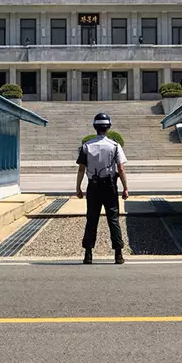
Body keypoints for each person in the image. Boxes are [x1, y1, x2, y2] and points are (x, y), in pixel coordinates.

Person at [76, 113, 129, 264]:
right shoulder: (114, 145)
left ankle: (88, 254)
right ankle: (118, 254)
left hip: (93, 186)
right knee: (113, 219)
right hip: (110, 186)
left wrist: (78, 188)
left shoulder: (87, 146)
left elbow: (81, 169)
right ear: (108, 127)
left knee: (91, 219)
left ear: (95, 127)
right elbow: (121, 168)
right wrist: (125, 188)